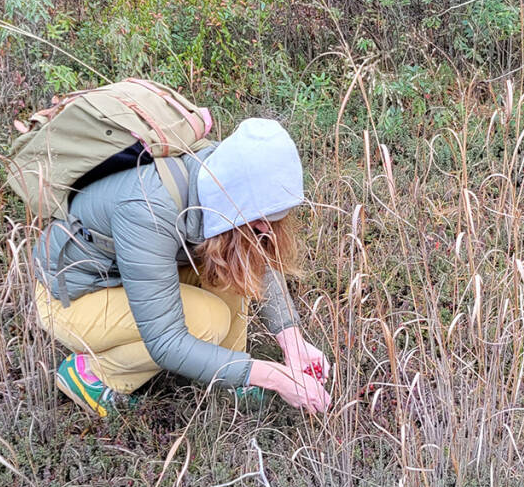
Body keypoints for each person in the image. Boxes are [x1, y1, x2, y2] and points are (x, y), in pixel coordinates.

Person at [32, 118, 332, 416]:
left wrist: (292, 341)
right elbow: (166, 340)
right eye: (260, 218)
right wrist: (274, 377)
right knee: (208, 320)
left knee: (232, 272)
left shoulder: (221, 173)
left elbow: (254, 260)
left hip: (136, 273)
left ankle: (230, 381)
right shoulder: (148, 209)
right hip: (76, 297)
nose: (266, 228)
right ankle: (92, 374)